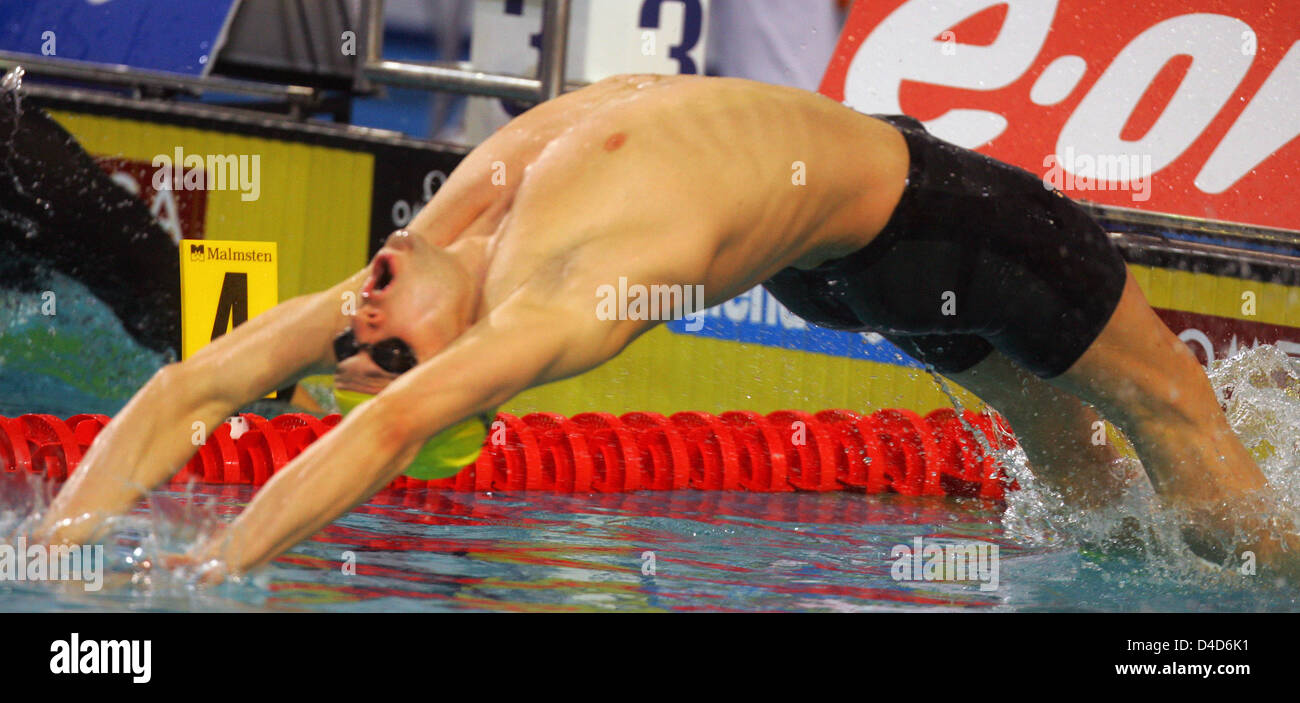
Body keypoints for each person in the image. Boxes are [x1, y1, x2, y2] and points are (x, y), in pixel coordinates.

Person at [35, 74, 1297, 582]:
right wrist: (215, 578)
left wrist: (55, 545)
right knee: (1175, 414)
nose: (354, 326)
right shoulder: (554, 305)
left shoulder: (424, 262)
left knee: (1073, 462)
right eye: (381, 353)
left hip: (839, 260)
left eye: (355, 343)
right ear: (465, 370)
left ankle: (1142, 570)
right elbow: (398, 424)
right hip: (940, 223)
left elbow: (195, 384)